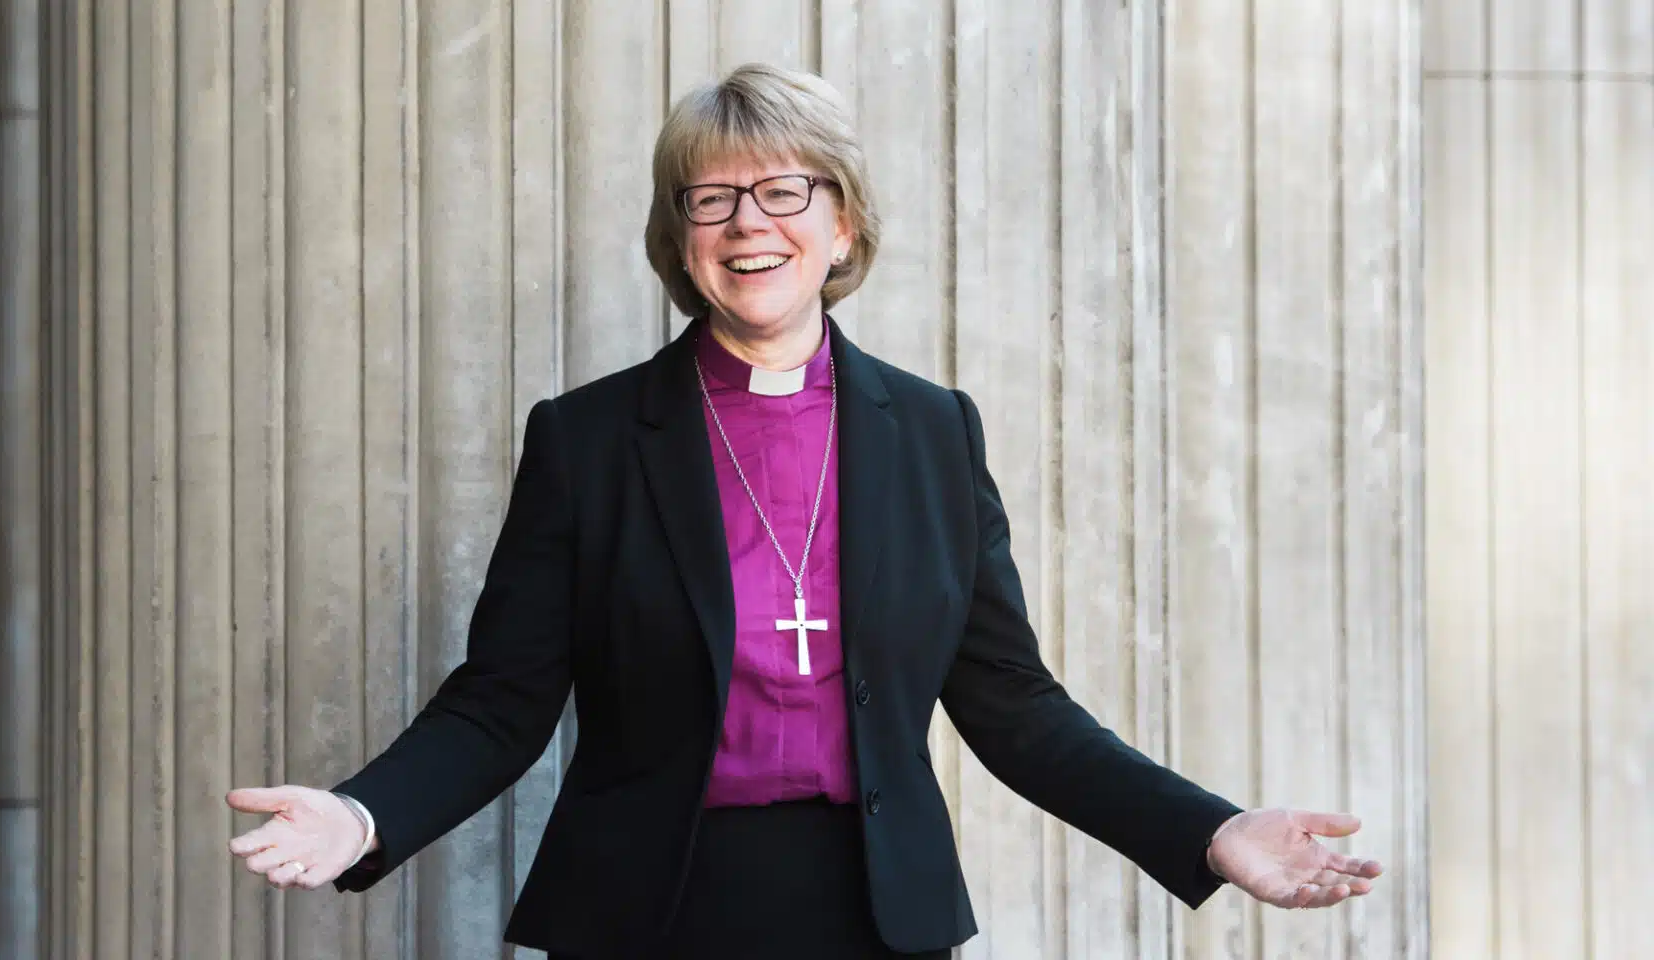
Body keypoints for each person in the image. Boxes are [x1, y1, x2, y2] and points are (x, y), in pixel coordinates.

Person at [225, 62, 1384, 959]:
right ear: (682, 240)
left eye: (785, 191)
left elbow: (1017, 708)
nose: (748, 224)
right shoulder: (587, 442)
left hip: (877, 911)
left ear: (841, 227)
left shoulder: (933, 433)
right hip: (648, 913)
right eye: (713, 198)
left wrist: (1211, 832)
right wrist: (361, 816)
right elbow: (501, 704)